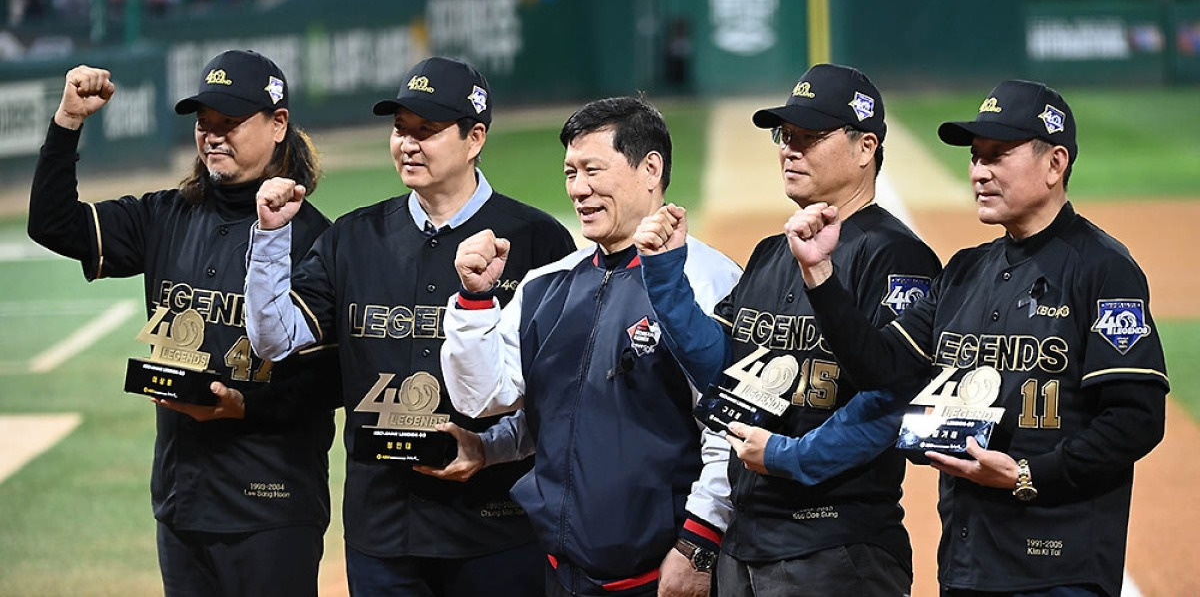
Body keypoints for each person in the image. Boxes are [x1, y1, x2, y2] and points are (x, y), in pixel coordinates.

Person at [779, 80, 1169, 597]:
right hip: (968, 560)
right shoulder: (965, 272)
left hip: (1058, 568)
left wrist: (1030, 474)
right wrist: (821, 277)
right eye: (975, 156)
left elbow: (1136, 418)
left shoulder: (1102, 270)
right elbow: (883, 371)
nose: (979, 171)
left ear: (1055, 164)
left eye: (999, 155)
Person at [244, 56, 576, 597]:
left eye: (428, 130)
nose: (408, 143)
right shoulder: (353, 237)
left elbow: (561, 395)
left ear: (475, 138)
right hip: (383, 530)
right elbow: (275, 341)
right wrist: (271, 239)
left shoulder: (538, 242)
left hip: (495, 525)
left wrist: (489, 447)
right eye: (400, 129)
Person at [26, 50, 338, 597]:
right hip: (180, 500)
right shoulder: (166, 214)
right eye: (203, 123)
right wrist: (68, 122)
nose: (213, 136)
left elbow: (334, 377)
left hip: (270, 505)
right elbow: (53, 224)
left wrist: (244, 404)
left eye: (230, 123)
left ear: (279, 124)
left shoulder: (317, 238)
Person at [635, 63, 942, 596]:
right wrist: (665, 273)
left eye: (810, 137)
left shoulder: (897, 256)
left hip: (836, 547)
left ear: (865, 147)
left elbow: (892, 399)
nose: (789, 149)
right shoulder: (771, 253)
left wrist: (786, 457)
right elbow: (721, 370)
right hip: (748, 541)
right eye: (785, 136)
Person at [441, 96, 741, 597]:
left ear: (650, 169)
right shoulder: (546, 284)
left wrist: (699, 543)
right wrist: (474, 301)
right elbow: (484, 398)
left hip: (662, 573)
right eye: (569, 173)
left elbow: (730, 429)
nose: (578, 189)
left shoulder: (708, 282)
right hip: (563, 570)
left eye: (592, 170)